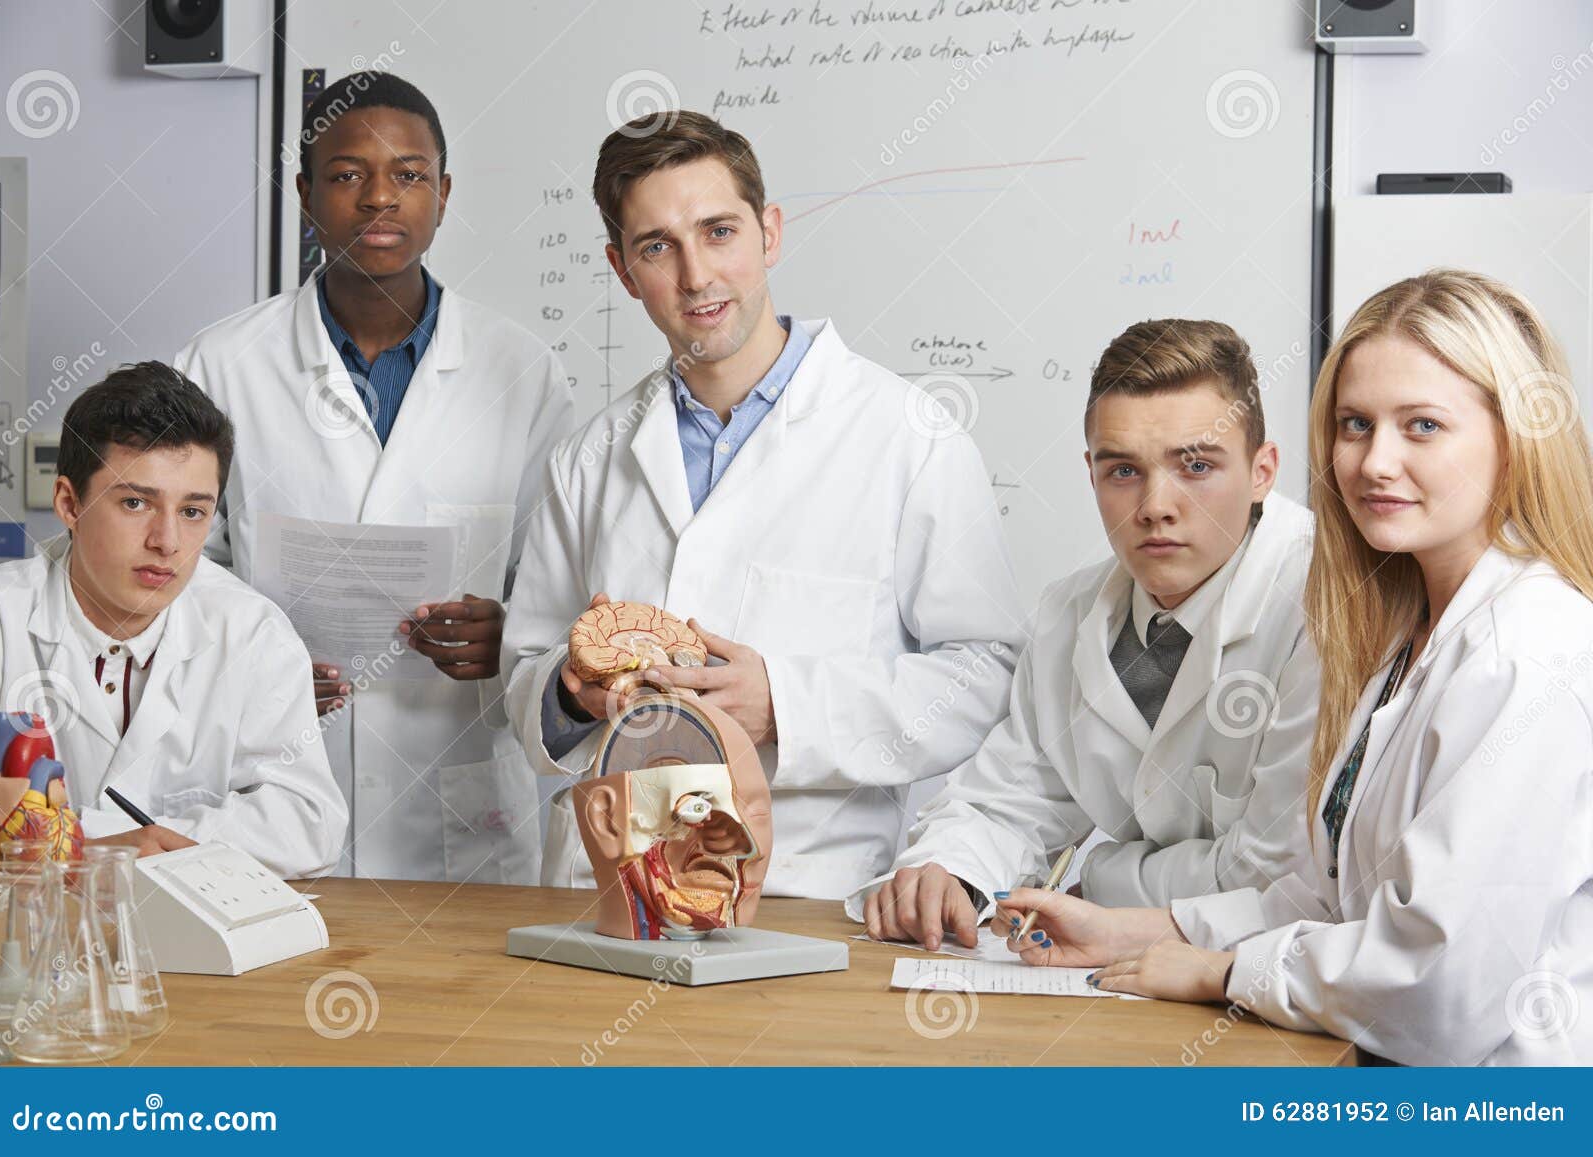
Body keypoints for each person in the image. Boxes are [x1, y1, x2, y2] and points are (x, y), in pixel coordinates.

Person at [997, 271, 1593, 1066]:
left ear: (1515, 437)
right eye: (1356, 424)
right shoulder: (1405, 637)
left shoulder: (1526, 650)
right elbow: (1328, 899)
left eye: (1422, 425)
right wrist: (1132, 931)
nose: (1375, 461)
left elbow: (1441, 988)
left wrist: (1223, 972)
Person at [500, 110, 1024, 899]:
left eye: (719, 232)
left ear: (769, 232)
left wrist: (787, 704)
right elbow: (525, 671)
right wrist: (570, 691)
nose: (696, 276)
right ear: (622, 269)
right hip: (606, 893)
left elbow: (983, 674)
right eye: (657, 247)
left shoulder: (910, 439)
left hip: (803, 891)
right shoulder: (588, 459)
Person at [175, 72, 574, 884]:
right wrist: (252, 657)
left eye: (409, 174)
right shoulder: (221, 365)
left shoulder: (522, 371)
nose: (380, 198)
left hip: (460, 799)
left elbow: (559, 575)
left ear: (443, 194)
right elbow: (180, 564)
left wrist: (511, 634)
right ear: (306, 195)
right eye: (348, 173)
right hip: (277, 776)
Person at [854, 319, 1317, 949]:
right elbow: (1012, 799)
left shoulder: (1324, 604)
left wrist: (1099, 877)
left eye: (1196, 466)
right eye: (1123, 470)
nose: (1156, 506)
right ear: (1090, 473)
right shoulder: (1071, 613)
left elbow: (1277, 879)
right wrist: (950, 873)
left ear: (1263, 471)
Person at [0, 362, 346, 878]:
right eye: (135, 502)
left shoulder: (251, 632)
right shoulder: (1, 616)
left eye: (192, 511)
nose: (168, 542)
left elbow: (310, 824)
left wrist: (97, 840)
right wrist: (104, 846)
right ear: (70, 504)